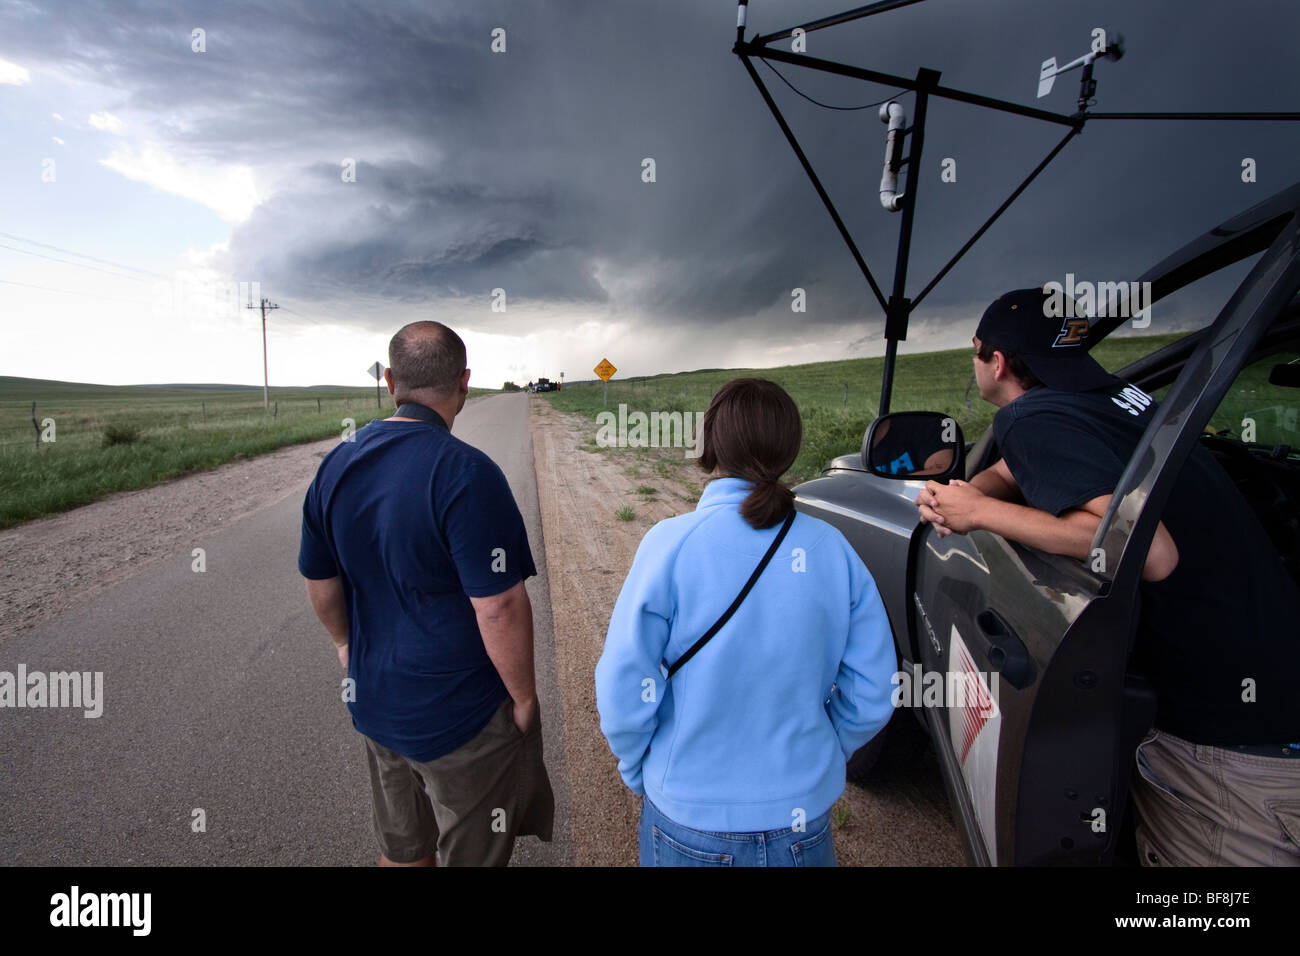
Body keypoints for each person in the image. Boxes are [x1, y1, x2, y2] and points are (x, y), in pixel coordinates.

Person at [915, 287, 1300, 866]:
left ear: (994, 361)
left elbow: (1151, 553)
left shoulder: (1027, 416)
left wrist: (979, 514)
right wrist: (969, 490)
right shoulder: (1119, 399)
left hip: (1231, 749)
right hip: (1275, 685)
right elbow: (1013, 467)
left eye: (975, 353)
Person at [595, 378, 897, 867]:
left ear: (710, 444)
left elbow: (625, 682)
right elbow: (875, 688)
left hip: (688, 820)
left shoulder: (668, 544)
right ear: (790, 448)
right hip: (802, 818)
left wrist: (638, 767)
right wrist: (822, 754)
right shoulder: (833, 550)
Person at [298, 320, 553, 867]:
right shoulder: (467, 473)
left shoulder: (335, 466)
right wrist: (525, 698)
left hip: (376, 702)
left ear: (391, 381)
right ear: (463, 382)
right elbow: (499, 605)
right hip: (462, 716)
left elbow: (320, 582)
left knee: (404, 849)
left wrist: (346, 648)